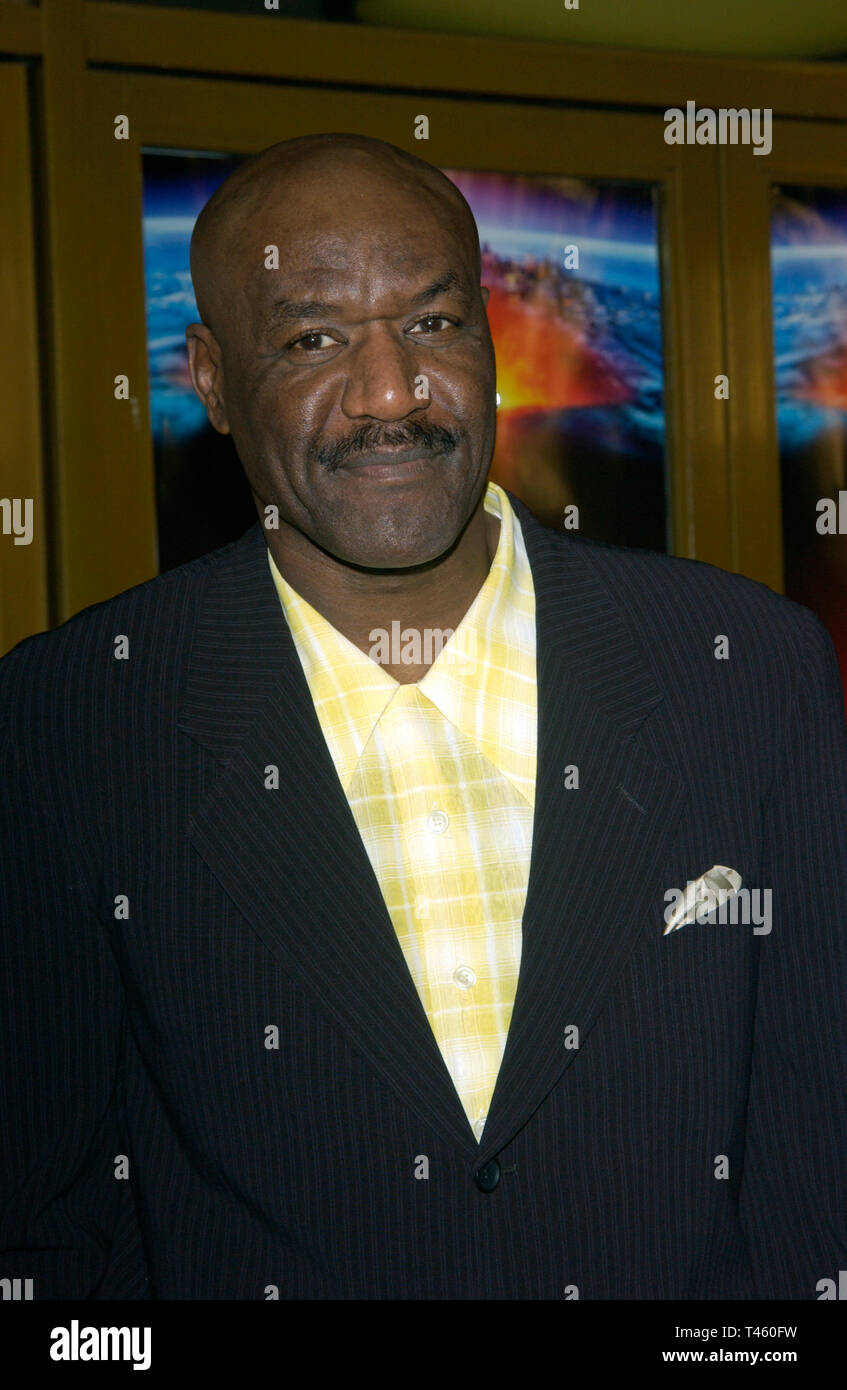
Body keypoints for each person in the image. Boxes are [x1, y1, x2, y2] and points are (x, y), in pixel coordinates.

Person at [1, 133, 845, 1301]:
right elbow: (42, 1226)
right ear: (209, 378)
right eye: (312, 340)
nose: (391, 392)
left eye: (435, 324)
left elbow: (816, 1183)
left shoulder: (748, 671)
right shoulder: (80, 716)